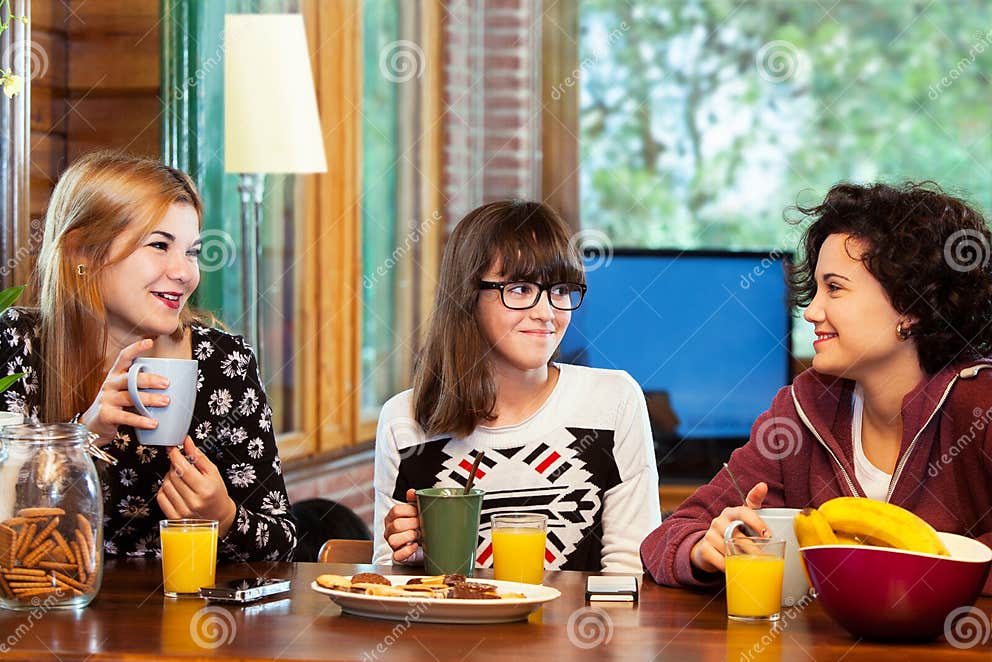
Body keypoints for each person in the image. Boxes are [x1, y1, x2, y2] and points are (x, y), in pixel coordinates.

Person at [640, 181, 992, 595]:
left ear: (911, 306)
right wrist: (703, 548)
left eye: (835, 288)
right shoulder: (802, 408)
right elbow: (668, 537)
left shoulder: (979, 404)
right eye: (817, 289)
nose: (811, 311)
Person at [0, 151, 296, 562]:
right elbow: (9, 517)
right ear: (81, 253)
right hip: (54, 613)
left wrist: (225, 517)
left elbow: (282, 543)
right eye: (160, 245)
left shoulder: (224, 361)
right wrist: (84, 437)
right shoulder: (19, 343)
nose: (185, 272)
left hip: (189, 618)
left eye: (192, 251)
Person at [374, 200, 660, 573]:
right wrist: (410, 559)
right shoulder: (405, 420)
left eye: (559, 290)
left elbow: (631, 575)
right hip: (453, 630)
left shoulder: (614, 401)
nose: (547, 313)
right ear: (468, 297)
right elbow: (387, 580)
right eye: (521, 289)